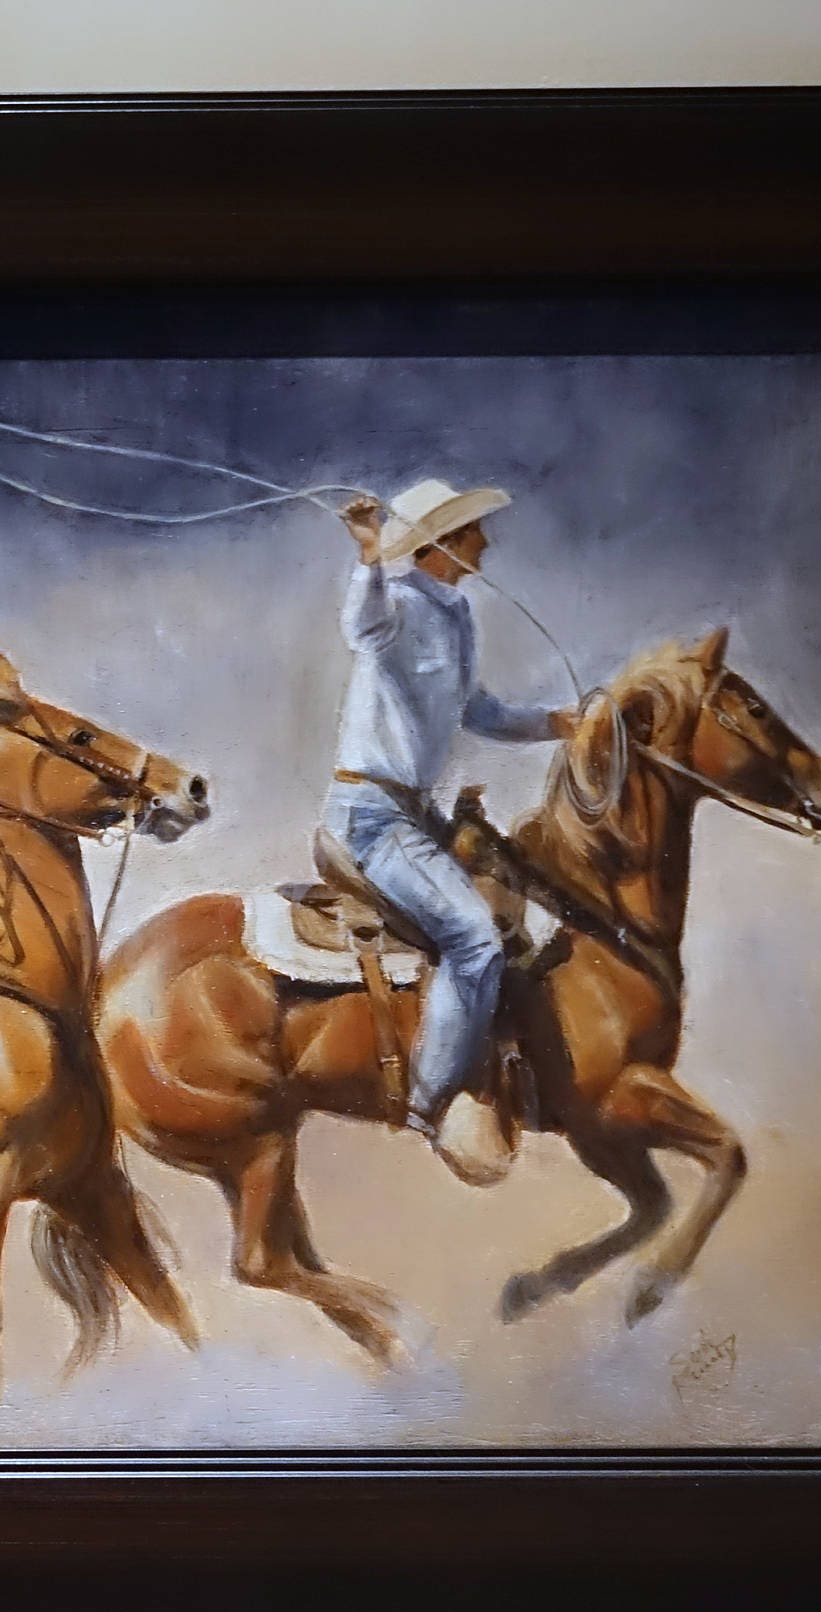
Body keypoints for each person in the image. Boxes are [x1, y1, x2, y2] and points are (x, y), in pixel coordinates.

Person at [325, 479, 580, 1187]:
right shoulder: (397, 604)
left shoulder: (459, 615)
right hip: (372, 813)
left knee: (513, 894)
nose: (485, 542)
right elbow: (362, 628)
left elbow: (479, 711)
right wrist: (371, 553)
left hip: (415, 811)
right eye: (472, 532)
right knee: (472, 935)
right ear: (442, 545)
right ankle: (430, 1103)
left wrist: (553, 724)